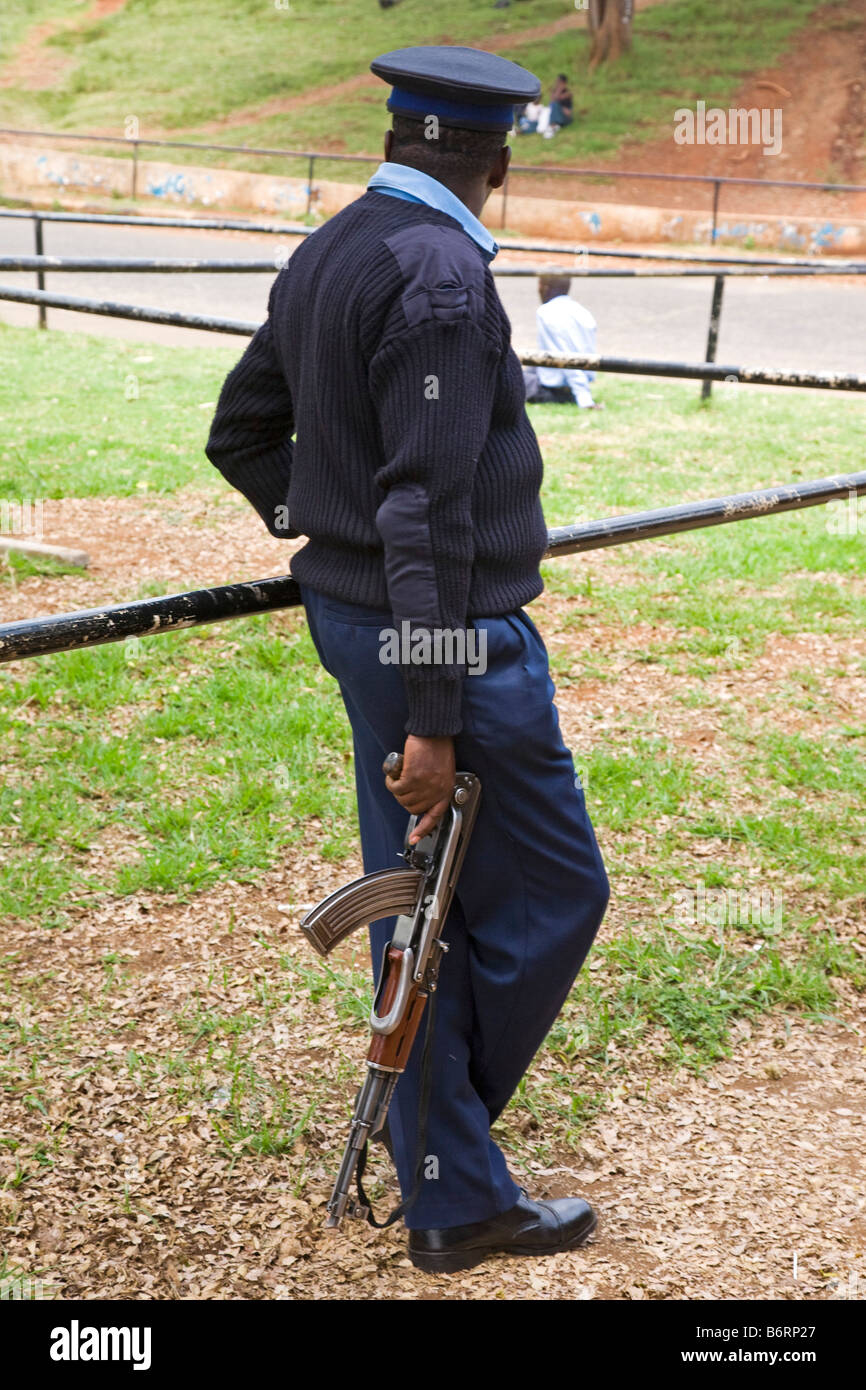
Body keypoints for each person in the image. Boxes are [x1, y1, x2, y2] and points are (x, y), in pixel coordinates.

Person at [205, 44, 609, 1276]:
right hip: (442, 640)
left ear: (396, 141)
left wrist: (316, 528)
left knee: (415, 904)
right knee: (548, 887)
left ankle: (443, 1168)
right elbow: (427, 513)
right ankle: (446, 1159)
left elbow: (238, 432)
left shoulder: (333, 247)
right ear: (493, 163)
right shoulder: (440, 276)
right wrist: (431, 713)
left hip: (363, 617)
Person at [523, 273, 600, 408]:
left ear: (544, 287)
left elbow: (565, 356)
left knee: (505, 377)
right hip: (574, 384)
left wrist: (584, 399)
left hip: (556, 391)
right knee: (528, 366)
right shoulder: (582, 311)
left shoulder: (546, 312)